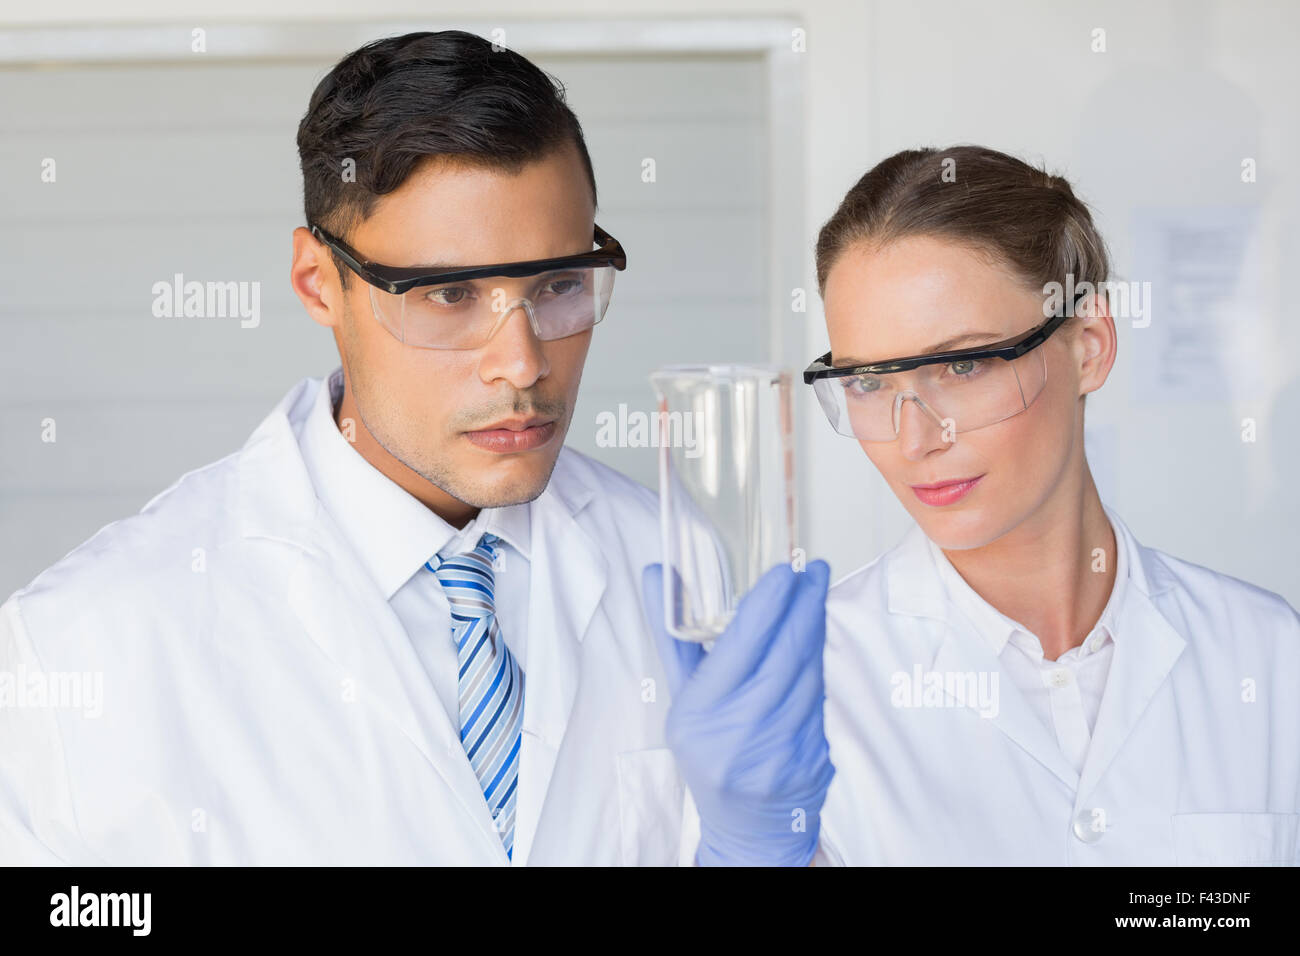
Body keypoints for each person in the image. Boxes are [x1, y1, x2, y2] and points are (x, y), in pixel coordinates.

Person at [0, 30, 816, 866]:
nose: (523, 362)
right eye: (450, 294)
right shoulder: (83, 649)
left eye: (559, 284)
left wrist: (765, 842)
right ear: (319, 282)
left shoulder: (678, 570)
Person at [802, 145, 1300, 865]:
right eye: (870, 383)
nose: (915, 439)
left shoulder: (1268, 656)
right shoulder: (815, 684)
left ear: (1089, 345)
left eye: (963, 364)